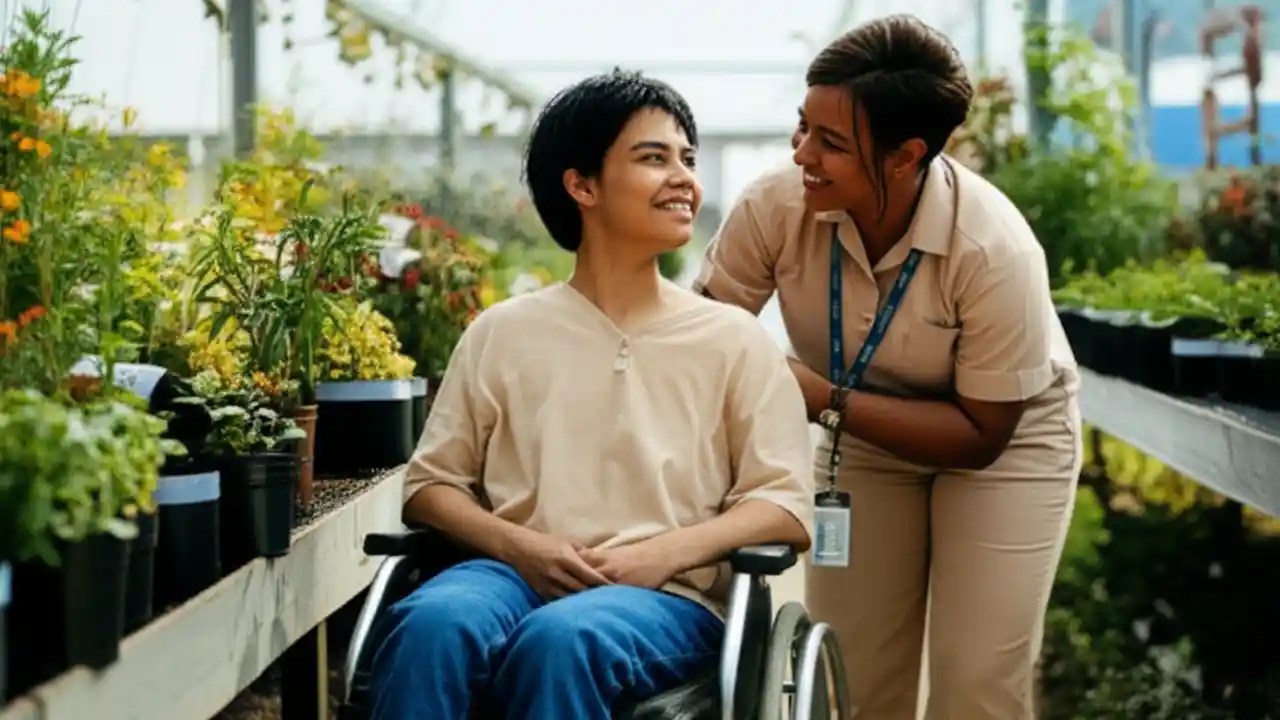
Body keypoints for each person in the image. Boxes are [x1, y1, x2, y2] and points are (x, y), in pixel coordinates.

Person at [368, 70, 815, 720]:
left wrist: (661, 554)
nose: (684, 179)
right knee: (433, 626)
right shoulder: (503, 331)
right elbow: (430, 487)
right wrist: (522, 548)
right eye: (654, 158)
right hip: (507, 575)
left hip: (667, 598)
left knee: (563, 641)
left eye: (688, 160)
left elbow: (784, 507)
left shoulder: (733, 340)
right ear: (582, 186)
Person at [693, 14, 1082, 720]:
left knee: (975, 685)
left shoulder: (993, 249)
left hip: (1004, 451)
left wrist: (821, 398)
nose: (802, 153)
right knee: (855, 675)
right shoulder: (775, 204)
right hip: (863, 445)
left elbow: (983, 435)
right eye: (803, 126)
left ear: (905, 157)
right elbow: (704, 334)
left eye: (832, 142)